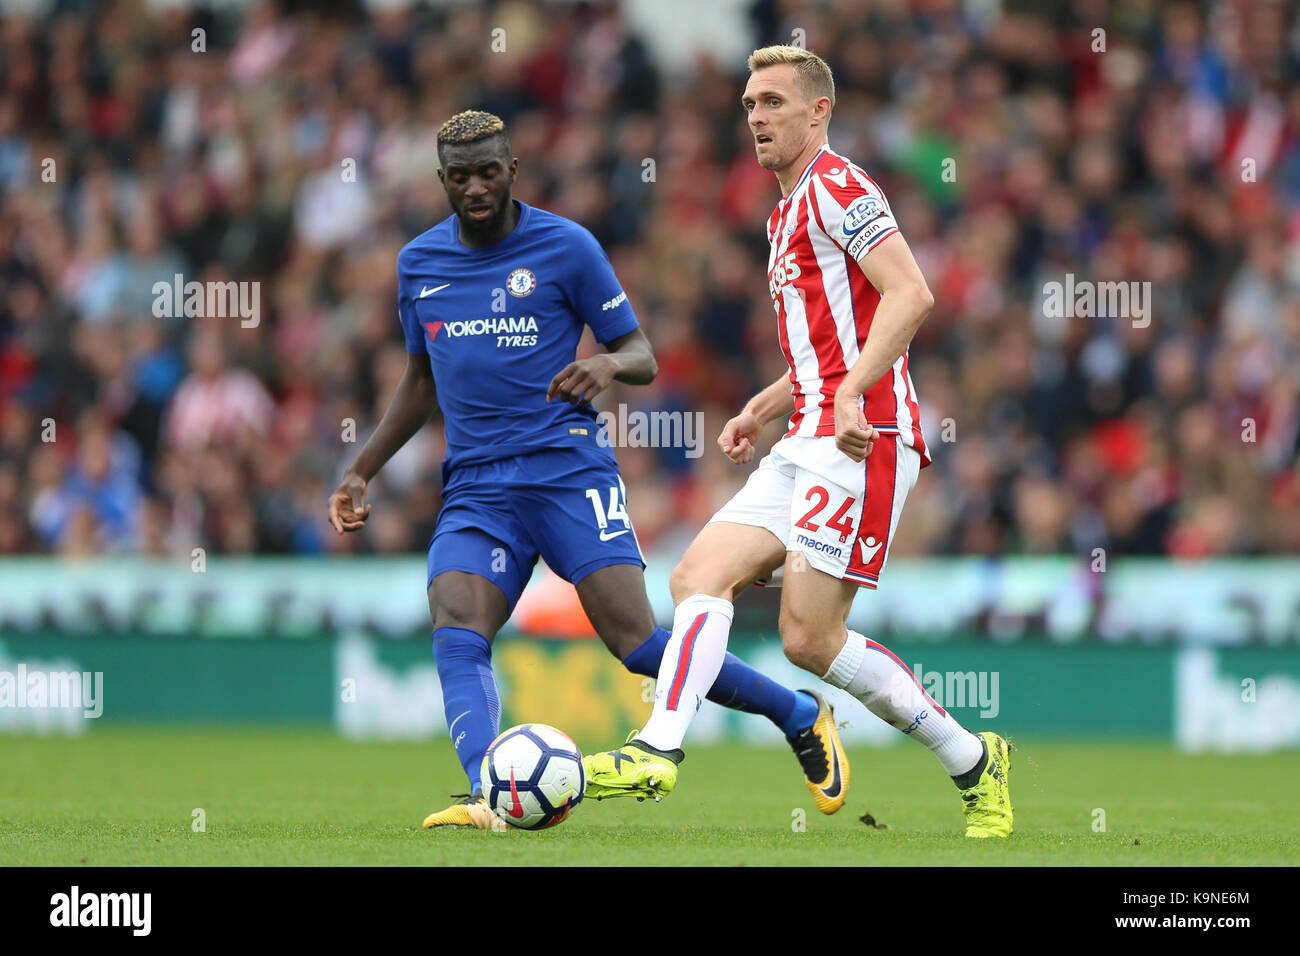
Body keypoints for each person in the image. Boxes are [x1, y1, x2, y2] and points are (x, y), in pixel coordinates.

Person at [327, 110, 851, 830]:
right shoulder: (419, 263)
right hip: (478, 485)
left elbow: (641, 354)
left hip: (567, 473)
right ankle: (491, 791)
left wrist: (603, 364)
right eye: (459, 176)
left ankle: (796, 712)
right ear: (442, 181)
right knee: (456, 621)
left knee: (638, 644)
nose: (475, 186)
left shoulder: (566, 247)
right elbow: (420, 381)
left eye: (488, 171)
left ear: (512, 168)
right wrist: (362, 470)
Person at [582, 49, 1014, 837]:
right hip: (811, 430)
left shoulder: (841, 187)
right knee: (697, 576)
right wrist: (773, 402)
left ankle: (974, 760)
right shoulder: (784, 211)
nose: (756, 116)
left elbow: (910, 292)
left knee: (809, 637)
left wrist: (847, 394)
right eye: (749, 103)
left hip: (863, 437)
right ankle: (657, 748)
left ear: (819, 111)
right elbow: (829, 345)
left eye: (774, 101)